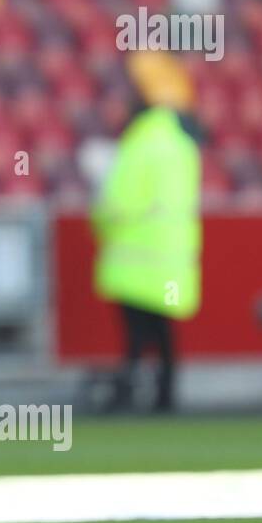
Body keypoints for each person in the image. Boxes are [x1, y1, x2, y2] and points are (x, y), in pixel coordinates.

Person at [92, 50, 203, 413]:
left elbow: (118, 203)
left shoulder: (139, 146)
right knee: (164, 334)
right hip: (172, 260)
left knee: (136, 337)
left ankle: (130, 394)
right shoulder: (182, 147)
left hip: (135, 258)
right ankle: (166, 396)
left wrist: (101, 225)